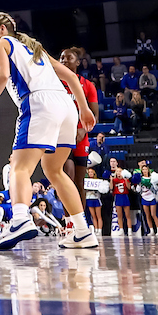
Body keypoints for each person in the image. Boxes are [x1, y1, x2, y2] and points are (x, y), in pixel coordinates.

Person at [0, 12, 98, 250]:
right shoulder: (35, 49)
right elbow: (70, 76)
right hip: (66, 105)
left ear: (3, 29)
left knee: (19, 168)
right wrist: (84, 109)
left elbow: (3, 74)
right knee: (55, 171)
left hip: (39, 103)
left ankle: (19, 220)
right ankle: (82, 231)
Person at [59, 47, 100, 209]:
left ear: (77, 62)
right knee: (67, 177)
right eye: (61, 58)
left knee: (79, 183)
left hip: (81, 137)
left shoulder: (87, 85)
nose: (63, 60)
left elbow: (95, 115)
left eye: (68, 58)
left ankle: (81, 222)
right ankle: (69, 221)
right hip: (62, 136)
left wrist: (84, 129)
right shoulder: (54, 83)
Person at [84, 166, 106, 231]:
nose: (90, 173)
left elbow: (102, 189)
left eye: (91, 172)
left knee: (98, 215)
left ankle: (100, 229)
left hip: (96, 198)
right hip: (89, 198)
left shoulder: (98, 181)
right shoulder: (86, 181)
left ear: (94, 173)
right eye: (89, 172)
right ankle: (95, 229)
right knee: (93, 215)